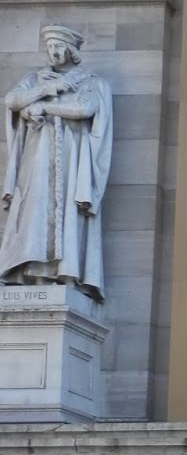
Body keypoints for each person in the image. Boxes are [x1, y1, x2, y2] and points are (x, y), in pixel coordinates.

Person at [1, 25, 112, 300]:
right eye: (50, 47)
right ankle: (33, 274)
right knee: (34, 213)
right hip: (37, 158)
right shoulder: (35, 79)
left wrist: (45, 107)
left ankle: (66, 275)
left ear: (71, 51)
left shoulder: (90, 81)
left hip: (71, 159)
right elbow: (12, 100)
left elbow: (85, 108)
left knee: (67, 216)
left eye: (59, 46)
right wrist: (46, 89)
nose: (54, 52)